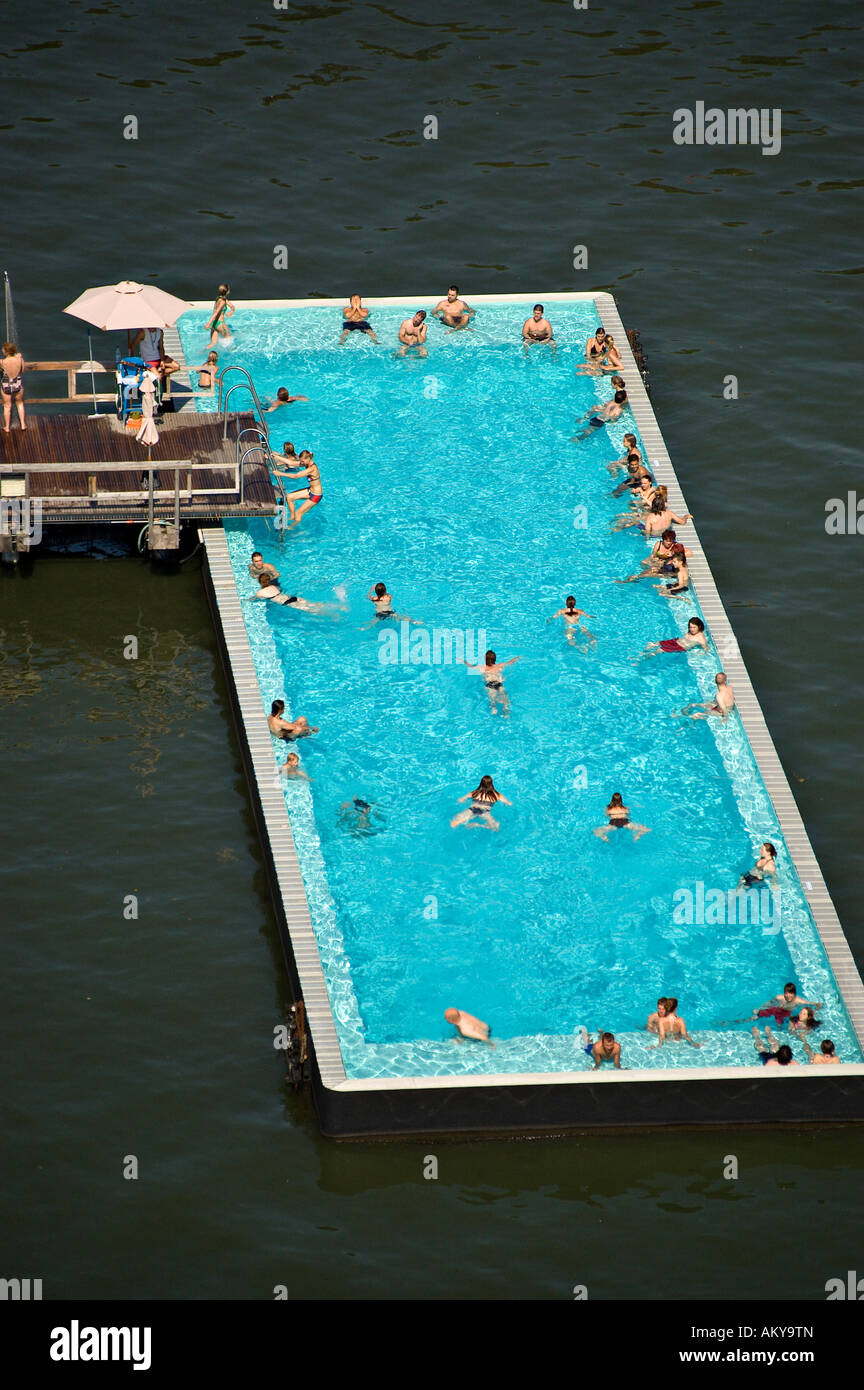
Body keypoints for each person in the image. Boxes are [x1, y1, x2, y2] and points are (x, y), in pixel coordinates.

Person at [463, 649, 522, 717]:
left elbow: (471, 666)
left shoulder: (482, 667)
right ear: (495, 659)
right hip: (499, 684)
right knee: (505, 700)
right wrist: (517, 658)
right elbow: (510, 662)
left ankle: (494, 709)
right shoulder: (500, 665)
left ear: (485, 659)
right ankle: (506, 712)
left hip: (489, 685)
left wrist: (465, 662)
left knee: (492, 700)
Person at [250, 573, 344, 614]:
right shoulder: (275, 587)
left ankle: (334, 615)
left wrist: (245, 601)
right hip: (294, 598)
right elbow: (282, 590)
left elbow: (254, 600)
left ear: (260, 582)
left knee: (313, 610)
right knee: (315, 604)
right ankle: (339, 606)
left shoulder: (260, 592)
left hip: (288, 603)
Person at [278, 449, 323, 528]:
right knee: (289, 497)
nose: (301, 463)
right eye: (300, 461)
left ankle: (292, 527)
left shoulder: (312, 468)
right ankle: (292, 517)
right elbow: (291, 462)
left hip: (316, 495)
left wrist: (280, 473)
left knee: (298, 513)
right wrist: (275, 456)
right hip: (310, 490)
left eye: (302, 461)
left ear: (308, 459)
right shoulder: (306, 464)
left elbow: (296, 476)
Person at [751, 982, 823, 1027]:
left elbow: (813, 1004)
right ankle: (749, 1019)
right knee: (758, 1015)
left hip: (786, 1013)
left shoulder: (799, 1001)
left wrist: (817, 1008)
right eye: (786, 993)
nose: (788, 996)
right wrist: (759, 1008)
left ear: (794, 994)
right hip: (776, 1009)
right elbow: (769, 1003)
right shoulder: (779, 997)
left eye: (790, 993)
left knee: (779, 1025)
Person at [639, 616, 708, 659]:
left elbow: (706, 649)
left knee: (660, 650)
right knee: (654, 643)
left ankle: (643, 659)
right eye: (690, 627)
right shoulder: (690, 632)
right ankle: (641, 654)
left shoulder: (700, 638)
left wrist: (698, 654)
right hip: (675, 641)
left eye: (694, 627)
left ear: (699, 627)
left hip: (679, 647)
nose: (692, 629)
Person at [1, 341, 26, 432]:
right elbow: (23, 370)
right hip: (17, 385)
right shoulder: (20, 360)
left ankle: (7, 427)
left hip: (6, 386)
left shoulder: (2, 362)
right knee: (19, 403)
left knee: (7, 406)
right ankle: (23, 424)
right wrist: (18, 357)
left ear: (6, 352)